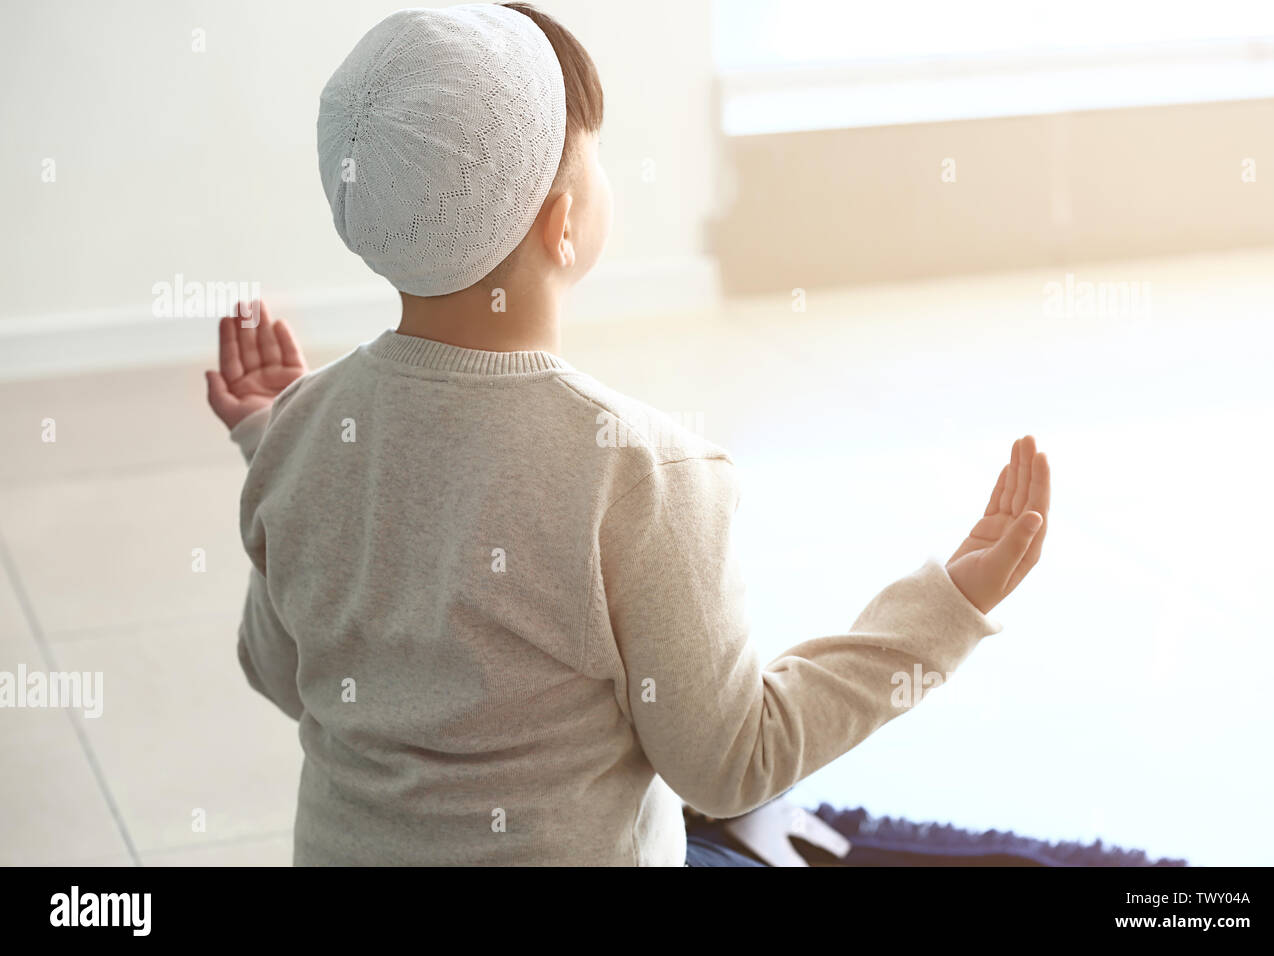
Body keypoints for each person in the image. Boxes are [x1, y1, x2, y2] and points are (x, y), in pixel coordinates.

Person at [204, 2, 1051, 866]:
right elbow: (731, 764)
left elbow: (281, 674)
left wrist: (279, 447)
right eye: (597, 157)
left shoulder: (304, 429)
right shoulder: (642, 474)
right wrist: (946, 610)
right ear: (562, 224)